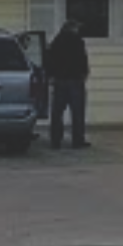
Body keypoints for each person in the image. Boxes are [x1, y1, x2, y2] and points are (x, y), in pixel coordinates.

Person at [44, 19, 91, 149]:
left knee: (57, 112)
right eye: (77, 28)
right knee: (77, 113)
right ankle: (78, 140)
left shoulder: (56, 42)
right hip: (75, 81)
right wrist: (84, 74)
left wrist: (50, 76)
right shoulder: (78, 42)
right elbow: (83, 60)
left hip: (59, 81)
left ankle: (55, 140)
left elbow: (49, 61)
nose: (78, 30)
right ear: (72, 29)